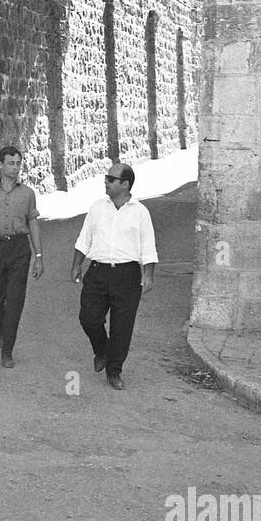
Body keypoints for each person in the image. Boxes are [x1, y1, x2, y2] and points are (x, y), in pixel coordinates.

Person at [70, 163, 158, 390]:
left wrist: (148, 275)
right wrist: (77, 264)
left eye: (111, 179)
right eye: (106, 178)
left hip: (127, 275)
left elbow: (148, 247)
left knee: (122, 327)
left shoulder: (140, 212)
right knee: (88, 317)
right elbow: (84, 238)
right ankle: (101, 350)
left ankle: (114, 371)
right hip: (98, 271)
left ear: (125, 184)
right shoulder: (97, 207)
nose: (106, 182)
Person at [0, 146, 43, 367]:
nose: (16, 168)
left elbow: (33, 222)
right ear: (0, 165)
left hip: (19, 249)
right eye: (11, 163)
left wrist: (39, 255)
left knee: (15, 301)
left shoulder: (27, 193)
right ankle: (2, 328)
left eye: (18, 164)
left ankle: (7, 351)